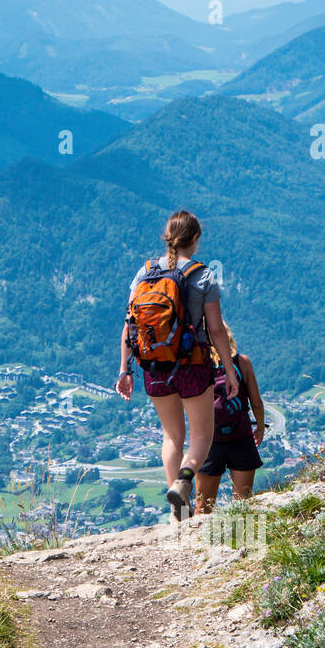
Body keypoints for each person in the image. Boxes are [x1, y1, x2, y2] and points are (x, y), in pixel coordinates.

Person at [116, 210, 237, 520]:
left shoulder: (143, 274)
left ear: (167, 236)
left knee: (171, 436)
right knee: (202, 437)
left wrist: (125, 370)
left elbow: (129, 326)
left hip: (154, 366)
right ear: (195, 239)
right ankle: (183, 482)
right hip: (193, 365)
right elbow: (216, 329)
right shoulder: (202, 275)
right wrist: (227, 368)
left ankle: (178, 513)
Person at [193, 321, 266, 515]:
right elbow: (256, 402)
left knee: (203, 507)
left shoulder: (197, 366)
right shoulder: (242, 362)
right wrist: (260, 427)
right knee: (243, 505)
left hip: (208, 441)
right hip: (241, 437)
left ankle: (194, 544)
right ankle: (244, 544)